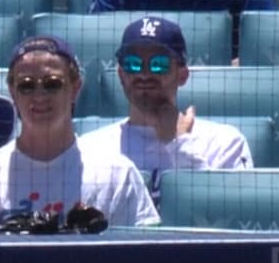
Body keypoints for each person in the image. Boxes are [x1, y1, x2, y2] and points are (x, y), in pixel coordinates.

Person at [0, 35, 160, 229]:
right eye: (27, 85)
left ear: (75, 88)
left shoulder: (117, 173)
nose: (39, 96)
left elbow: (143, 251)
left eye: (52, 84)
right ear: (12, 92)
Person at [79, 16, 252, 208]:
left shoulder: (223, 143)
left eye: (158, 64)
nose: (144, 74)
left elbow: (225, 217)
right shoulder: (90, 149)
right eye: (133, 64)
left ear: (182, 75)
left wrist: (181, 145)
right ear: (121, 75)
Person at [88, 0, 273, 62]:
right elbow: (99, 50)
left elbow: (267, 44)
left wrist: (234, 68)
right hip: (141, 82)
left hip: (215, 88)